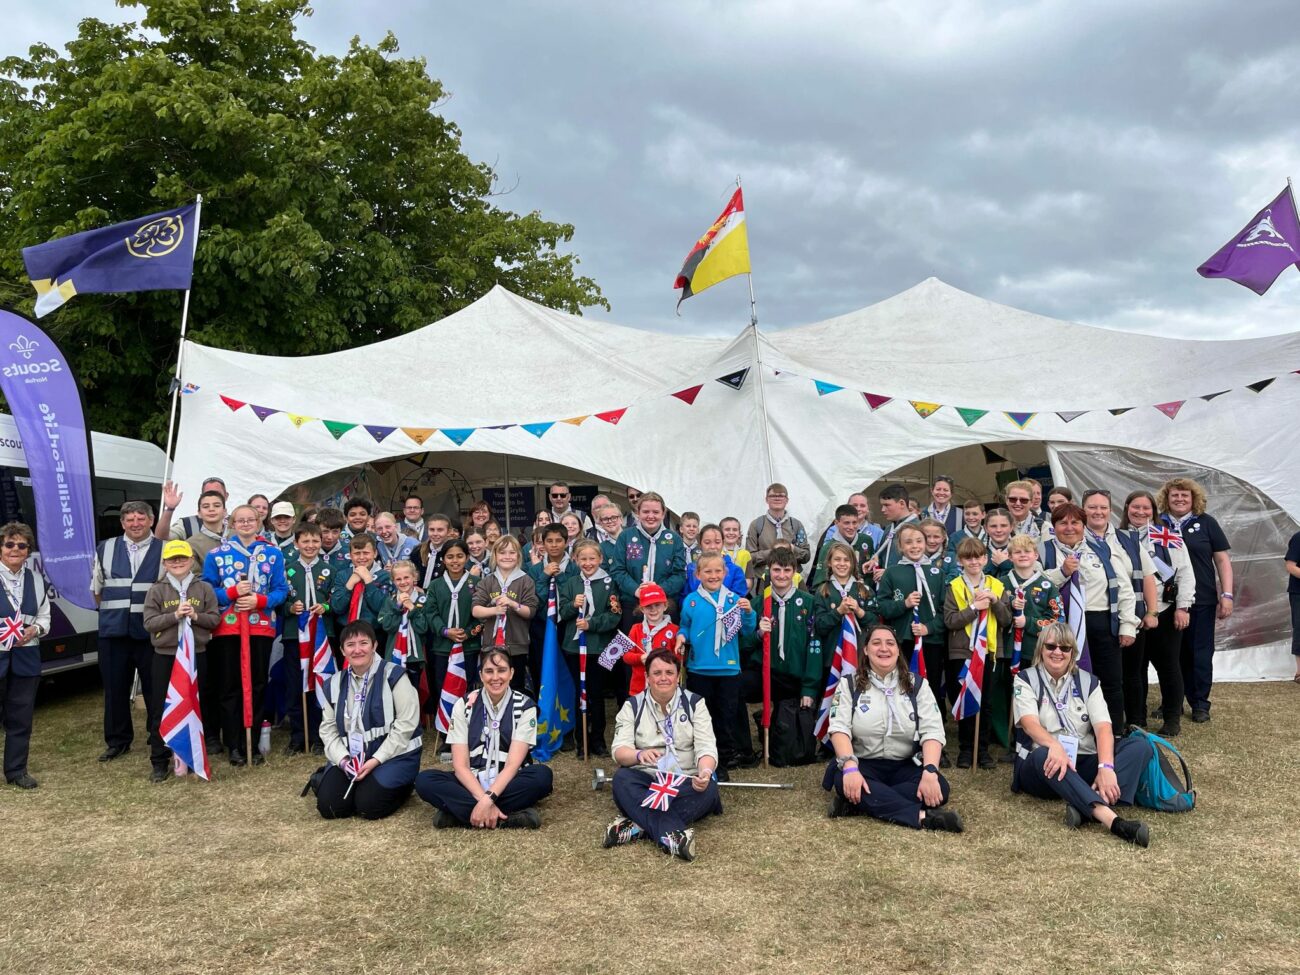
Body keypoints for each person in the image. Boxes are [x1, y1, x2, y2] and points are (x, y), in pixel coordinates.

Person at [1011, 622, 1153, 846]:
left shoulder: (1089, 682)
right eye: (1050, 646)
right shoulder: (1025, 679)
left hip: (1080, 761)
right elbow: (1029, 724)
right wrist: (1054, 746)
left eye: (1064, 648)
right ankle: (1113, 821)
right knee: (1043, 755)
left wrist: (1105, 768)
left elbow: (1103, 728)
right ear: (1040, 650)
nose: (1057, 652)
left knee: (1140, 746)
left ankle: (1085, 807)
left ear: (1072, 653)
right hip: (1041, 768)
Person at [824, 624, 963, 832]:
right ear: (866, 650)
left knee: (940, 787)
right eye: (876, 643)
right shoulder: (849, 685)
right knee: (844, 779)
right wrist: (851, 769)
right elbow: (839, 728)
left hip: (905, 764)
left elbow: (932, 731)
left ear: (898, 650)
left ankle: (859, 803)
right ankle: (924, 818)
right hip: (864, 763)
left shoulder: (917, 685)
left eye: (890, 643)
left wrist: (930, 771)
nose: (884, 649)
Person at [414, 648, 554, 829]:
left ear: (511, 673)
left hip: (509, 780)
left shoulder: (525, 706)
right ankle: (507, 819)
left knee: (542, 776)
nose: (495, 677)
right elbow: (460, 766)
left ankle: (459, 817)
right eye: (489, 671)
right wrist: (484, 799)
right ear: (481, 675)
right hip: (471, 782)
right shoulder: (464, 705)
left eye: (502, 670)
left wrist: (488, 798)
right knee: (424, 780)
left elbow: (513, 764)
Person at [604, 648, 721, 861]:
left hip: (685, 780)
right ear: (647, 677)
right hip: (646, 780)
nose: (663, 678)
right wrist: (638, 755)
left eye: (669, 672)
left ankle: (638, 826)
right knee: (622, 779)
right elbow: (619, 751)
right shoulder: (632, 705)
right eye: (657, 673)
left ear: (679, 676)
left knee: (709, 789)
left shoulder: (696, 703)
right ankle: (673, 836)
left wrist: (704, 771)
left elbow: (706, 747)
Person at [201, 504, 289, 766]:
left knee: (258, 682)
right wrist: (231, 594)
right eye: (241, 520)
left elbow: (281, 590)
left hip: (259, 626)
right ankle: (234, 744)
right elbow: (206, 590)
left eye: (251, 519)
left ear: (260, 521)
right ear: (232, 523)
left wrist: (259, 601)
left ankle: (252, 740)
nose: (247, 523)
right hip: (227, 628)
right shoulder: (216, 554)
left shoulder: (272, 554)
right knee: (230, 686)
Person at [1039, 502, 1138, 730]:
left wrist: (1127, 626)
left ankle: (1113, 733)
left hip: (1100, 622)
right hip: (1062, 626)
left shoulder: (1101, 548)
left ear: (1084, 525)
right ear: (1054, 526)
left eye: (1075, 522)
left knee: (1110, 681)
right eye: (1063, 523)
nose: (1069, 527)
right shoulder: (1044, 549)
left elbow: (1123, 588)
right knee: (1065, 681)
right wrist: (1062, 572)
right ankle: (1066, 731)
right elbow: (1037, 584)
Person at [316, 621, 422, 820]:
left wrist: (376, 760)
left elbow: (406, 725)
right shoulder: (335, 683)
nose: (357, 650)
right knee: (330, 807)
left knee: (369, 806)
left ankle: (404, 787)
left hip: (393, 756)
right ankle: (356, 783)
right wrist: (342, 760)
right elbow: (328, 729)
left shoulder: (395, 676)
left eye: (363, 643)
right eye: (350, 645)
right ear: (342, 650)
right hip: (353, 758)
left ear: (374, 646)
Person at [91, 500, 165, 762]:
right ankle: (118, 741)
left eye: (141, 518)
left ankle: (157, 735)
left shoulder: (164, 549)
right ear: (122, 523)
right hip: (113, 632)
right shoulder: (106, 547)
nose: (136, 523)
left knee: (156, 689)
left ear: (151, 520)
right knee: (114, 689)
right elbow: (97, 590)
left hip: (150, 633)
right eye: (130, 519)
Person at [141, 540, 220, 782]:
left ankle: (194, 755)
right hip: (166, 656)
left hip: (197, 655)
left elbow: (215, 619)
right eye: (172, 559)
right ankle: (159, 759)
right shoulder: (157, 590)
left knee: (198, 702)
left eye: (182, 558)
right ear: (164, 563)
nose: (178, 563)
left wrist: (196, 616)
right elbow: (149, 623)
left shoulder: (204, 588)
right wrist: (174, 616)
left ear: (191, 561)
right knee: (160, 707)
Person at [1157, 477, 1232, 723]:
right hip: (1166, 601)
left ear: (1193, 499)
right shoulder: (1157, 524)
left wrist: (1227, 594)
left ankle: (1200, 703)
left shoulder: (1207, 523)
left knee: (1199, 653)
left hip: (1201, 600)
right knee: (1171, 654)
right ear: (1166, 499)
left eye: (1184, 495)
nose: (1179, 499)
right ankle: (1173, 701)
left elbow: (1222, 561)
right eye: (1174, 495)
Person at [1120, 491, 1193, 736]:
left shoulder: (1167, 536)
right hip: (1131, 614)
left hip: (1163, 609)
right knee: (1133, 669)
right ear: (1127, 508)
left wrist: (1182, 606)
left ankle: (1172, 718)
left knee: (1168, 666)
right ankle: (1136, 719)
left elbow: (1184, 572)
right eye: (1135, 507)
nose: (1140, 512)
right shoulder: (1117, 537)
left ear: (1154, 510)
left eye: (1146, 508)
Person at [676, 553, 756, 770]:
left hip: (728, 670)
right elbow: (685, 626)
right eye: (708, 572)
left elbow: (747, 632)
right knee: (702, 717)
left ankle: (723, 759)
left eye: (718, 571)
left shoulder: (734, 600)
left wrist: (749, 613)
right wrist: (681, 636)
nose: (713, 576)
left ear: (725, 573)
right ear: (698, 574)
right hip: (699, 669)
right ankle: (703, 758)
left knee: (726, 717)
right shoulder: (691, 601)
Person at [1091, 491, 1160, 730]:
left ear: (1111, 510)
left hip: (1132, 617)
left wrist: (1152, 612)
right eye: (1092, 507)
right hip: (1100, 617)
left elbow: (1149, 576)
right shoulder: (1078, 538)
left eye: (1103, 507)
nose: (1098, 512)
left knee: (1132, 673)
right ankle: (1105, 725)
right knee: (1105, 676)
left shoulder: (1127, 538)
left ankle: (1136, 723)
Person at [943, 536, 1013, 768]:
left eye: (978, 557)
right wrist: (974, 608)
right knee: (966, 700)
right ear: (960, 560)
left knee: (987, 703)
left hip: (990, 652)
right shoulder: (954, 586)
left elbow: (1006, 620)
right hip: (963, 652)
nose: (973, 561)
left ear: (985, 558)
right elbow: (950, 620)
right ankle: (965, 749)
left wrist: (995, 602)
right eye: (967, 557)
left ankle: (982, 750)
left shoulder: (997, 585)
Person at [557, 539, 621, 757]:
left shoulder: (609, 583)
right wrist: (572, 607)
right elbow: (561, 614)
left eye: (592, 558)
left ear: (600, 559)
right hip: (574, 647)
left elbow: (614, 615)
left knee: (596, 692)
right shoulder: (570, 583)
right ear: (575, 560)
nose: (587, 562)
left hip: (599, 647)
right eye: (582, 558)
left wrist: (591, 624)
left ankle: (598, 739)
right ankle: (581, 739)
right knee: (579, 693)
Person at [876, 525, 947, 720]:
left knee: (929, 685)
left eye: (918, 541)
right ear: (900, 546)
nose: (914, 546)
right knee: (902, 684)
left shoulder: (937, 573)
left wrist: (929, 628)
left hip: (930, 641)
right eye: (908, 542)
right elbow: (882, 607)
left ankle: (933, 734)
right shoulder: (892, 573)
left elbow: (945, 610)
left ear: (925, 544)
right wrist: (904, 604)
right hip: (902, 640)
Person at [0, 522, 51, 789]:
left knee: (20, 718)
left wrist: (35, 629)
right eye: (9, 544)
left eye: (21, 545)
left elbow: (45, 617)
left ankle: (16, 770)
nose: (15, 549)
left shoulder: (36, 580)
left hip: (26, 659)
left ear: (28, 550)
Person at [281, 521, 335, 754]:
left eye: (315, 541)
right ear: (296, 543)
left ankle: (320, 735)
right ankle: (298, 735)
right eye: (306, 541)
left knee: (322, 684)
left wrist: (325, 606)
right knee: (295, 685)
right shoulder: (287, 570)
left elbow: (337, 600)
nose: (311, 545)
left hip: (322, 637)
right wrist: (290, 608)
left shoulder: (330, 570)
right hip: (296, 635)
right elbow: (278, 601)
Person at [471, 536, 538, 690]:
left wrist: (513, 604)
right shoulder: (488, 581)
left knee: (515, 686)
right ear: (495, 556)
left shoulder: (525, 581)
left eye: (512, 553)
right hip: (491, 645)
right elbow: (475, 610)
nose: (507, 556)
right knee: (493, 685)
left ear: (518, 556)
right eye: (502, 553)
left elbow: (530, 612)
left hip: (516, 646)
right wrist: (495, 610)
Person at [611, 491, 687, 628]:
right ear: (638, 513)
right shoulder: (625, 537)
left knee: (663, 649)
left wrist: (658, 590)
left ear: (663, 514)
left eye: (656, 512)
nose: (650, 516)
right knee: (635, 648)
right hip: (633, 605)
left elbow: (680, 574)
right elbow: (618, 570)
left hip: (665, 605)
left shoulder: (675, 539)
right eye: (646, 512)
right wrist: (637, 590)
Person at [424, 539, 485, 705]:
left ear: (466, 557)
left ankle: (468, 723)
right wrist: (444, 631)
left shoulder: (477, 583)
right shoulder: (435, 585)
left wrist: (468, 633)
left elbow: (481, 616)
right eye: (450, 557)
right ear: (443, 559)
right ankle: (444, 728)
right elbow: (430, 613)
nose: (455, 561)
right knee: (442, 687)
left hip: (468, 647)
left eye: (459, 556)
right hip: (442, 647)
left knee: (468, 686)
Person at [377, 559, 430, 688]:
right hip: (395, 654)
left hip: (415, 657)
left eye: (406, 577)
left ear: (414, 577)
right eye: (398, 579)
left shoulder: (424, 599)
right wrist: (398, 607)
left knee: (415, 690)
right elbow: (387, 626)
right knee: (395, 690)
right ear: (393, 581)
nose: (403, 582)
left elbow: (423, 628)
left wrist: (412, 609)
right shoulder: (390, 600)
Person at [329, 533, 393, 637]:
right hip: (345, 630)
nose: (362, 557)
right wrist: (349, 585)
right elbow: (337, 607)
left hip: (374, 631)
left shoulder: (384, 576)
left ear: (375, 553)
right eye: (357, 553)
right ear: (350, 555)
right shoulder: (343, 575)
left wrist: (369, 581)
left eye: (366, 553)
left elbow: (381, 607)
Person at [625, 583, 680, 697]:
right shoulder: (636, 629)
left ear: (665, 606)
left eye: (657, 605)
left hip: (665, 689)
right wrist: (640, 658)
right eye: (648, 606)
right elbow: (626, 656)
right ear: (642, 609)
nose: (653, 609)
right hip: (639, 688)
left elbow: (678, 660)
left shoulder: (674, 630)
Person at [745, 482, 810, 573]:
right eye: (773, 496)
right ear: (766, 499)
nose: (777, 498)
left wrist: (791, 548)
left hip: (791, 578)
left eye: (781, 496)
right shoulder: (756, 525)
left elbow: (806, 556)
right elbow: (749, 557)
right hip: (764, 579)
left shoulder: (796, 525)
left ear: (787, 500)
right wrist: (772, 552)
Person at [810, 504, 873, 589]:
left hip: (864, 595)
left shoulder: (866, 541)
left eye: (854, 522)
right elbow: (819, 583)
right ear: (836, 523)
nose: (851, 527)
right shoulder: (828, 548)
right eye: (846, 523)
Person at [155, 475, 228, 541]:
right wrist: (170, 509)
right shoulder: (188, 524)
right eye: (208, 494)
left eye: (217, 494)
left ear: (226, 496)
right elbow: (161, 537)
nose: (213, 498)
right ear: (201, 497)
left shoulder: (236, 522)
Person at [684, 523, 747, 596]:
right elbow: (685, 598)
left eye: (717, 542)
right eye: (707, 542)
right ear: (700, 544)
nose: (713, 546)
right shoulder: (692, 569)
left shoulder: (736, 571)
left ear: (723, 543)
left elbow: (738, 600)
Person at [871, 484, 919, 578]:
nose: (882, 510)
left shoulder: (917, 528)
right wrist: (875, 562)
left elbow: (918, 563)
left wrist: (889, 573)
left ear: (902, 503)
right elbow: (883, 557)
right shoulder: (889, 528)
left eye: (887, 505)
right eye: (882, 505)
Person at [412, 514, 453, 586]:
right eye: (431, 530)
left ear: (449, 532)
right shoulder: (418, 551)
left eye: (440, 530)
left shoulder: (452, 552)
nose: (435, 533)